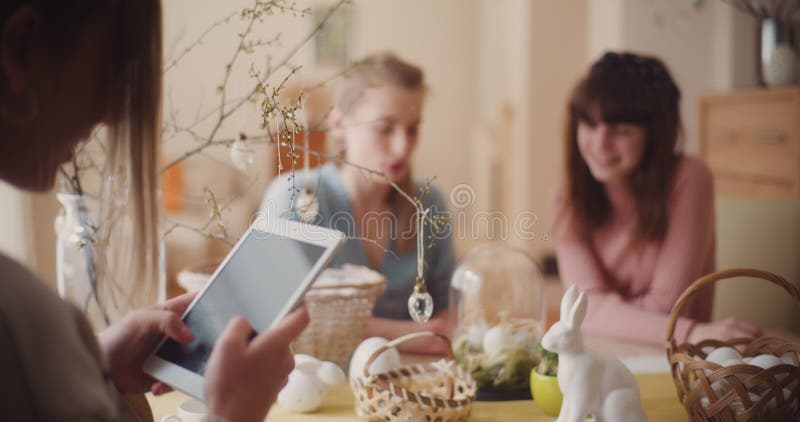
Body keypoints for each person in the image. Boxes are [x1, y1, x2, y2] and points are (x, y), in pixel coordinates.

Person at [0, 1, 306, 421]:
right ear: (20, 51)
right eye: (115, 69)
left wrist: (96, 361)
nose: (114, 112)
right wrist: (236, 411)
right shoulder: (16, 316)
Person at [553, 52, 761, 346]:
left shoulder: (690, 177)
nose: (600, 145)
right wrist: (601, 315)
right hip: (601, 354)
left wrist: (603, 315)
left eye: (621, 130)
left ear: (655, 134)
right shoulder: (567, 198)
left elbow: (669, 309)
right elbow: (582, 311)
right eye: (589, 125)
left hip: (674, 359)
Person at [261, 53, 455, 354]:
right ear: (338, 124)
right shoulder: (295, 196)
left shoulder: (429, 202)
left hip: (412, 377)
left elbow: (449, 308)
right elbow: (280, 313)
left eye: (413, 129)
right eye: (385, 129)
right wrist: (406, 333)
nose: (403, 148)